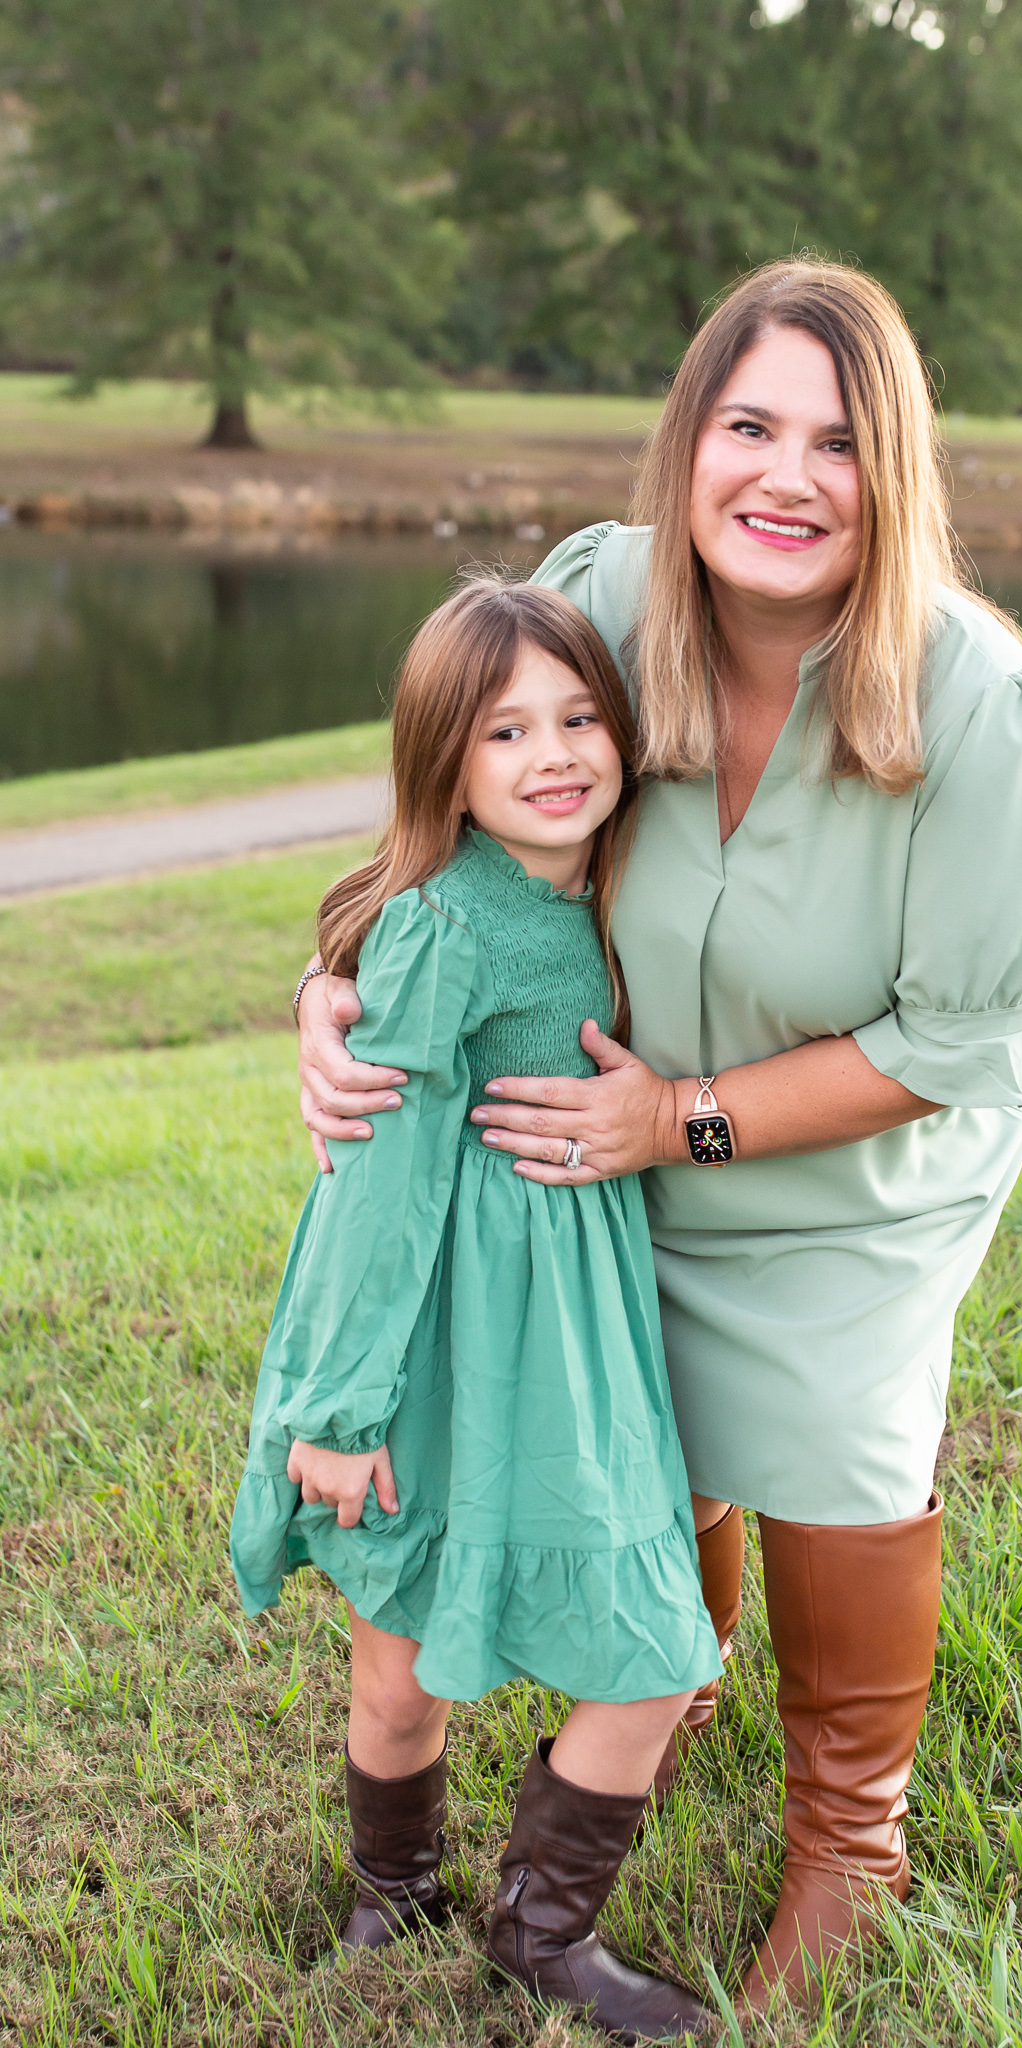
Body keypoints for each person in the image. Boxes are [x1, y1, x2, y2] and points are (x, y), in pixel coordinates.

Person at [295, 260, 1022, 2013]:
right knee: (652, 1437)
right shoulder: (600, 591)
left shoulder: (972, 703)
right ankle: (684, 1674)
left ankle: (847, 1841)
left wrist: (683, 1117)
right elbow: (456, 806)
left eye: (839, 441)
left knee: (845, 1453)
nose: (785, 478)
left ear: (896, 474)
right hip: (601, 1173)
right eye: (749, 426)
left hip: (849, 1193)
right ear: (690, 438)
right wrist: (330, 987)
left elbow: (958, 1041)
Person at [231, 578, 721, 2044]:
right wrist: (336, 1411)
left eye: (578, 717)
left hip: (568, 1337)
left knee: (656, 1652)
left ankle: (540, 1927)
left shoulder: (612, 875)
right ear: (443, 761)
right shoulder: (444, 927)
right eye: (504, 731)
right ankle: (397, 1892)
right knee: (395, 1667)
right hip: (437, 1340)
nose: (554, 753)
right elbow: (375, 1191)